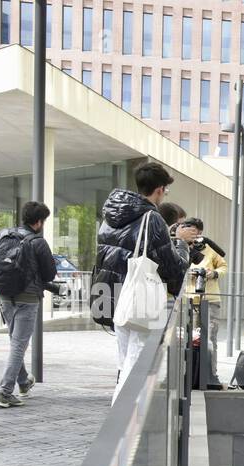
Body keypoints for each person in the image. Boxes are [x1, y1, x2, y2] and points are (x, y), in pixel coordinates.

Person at [90, 161, 195, 403]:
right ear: (159, 189)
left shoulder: (110, 215)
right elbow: (172, 269)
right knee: (137, 364)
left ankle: (124, 418)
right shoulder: (152, 217)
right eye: (165, 190)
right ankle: (125, 421)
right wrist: (179, 242)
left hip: (114, 294)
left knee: (125, 360)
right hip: (139, 298)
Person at [0, 202, 62, 409]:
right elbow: (50, 274)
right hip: (27, 298)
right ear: (39, 222)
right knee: (19, 345)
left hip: (5, 295)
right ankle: (5, 393)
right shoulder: (37, 242)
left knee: (16, 342)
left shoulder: (2, 235)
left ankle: (23, 382)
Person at [181, 218, 227, 378]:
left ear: (200, 232)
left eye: (193, 231)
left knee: (210, 338)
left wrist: (213, 273)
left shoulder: (210, 248)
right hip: (189, 299)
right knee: (189, 339)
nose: (190, 234)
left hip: (211, 300)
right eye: (187, 230)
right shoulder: (182, 248)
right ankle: (190, 375)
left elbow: (223, 266)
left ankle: (211, 374)